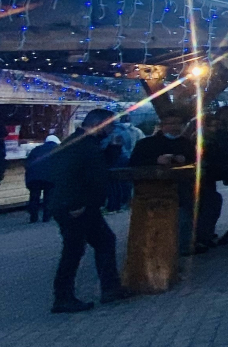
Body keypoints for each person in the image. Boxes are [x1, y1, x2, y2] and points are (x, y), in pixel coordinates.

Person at [49, 107, 131, 313]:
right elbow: (68, 176)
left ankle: (109, 288)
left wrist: (112, 150)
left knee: (103, 241)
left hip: (84, 206)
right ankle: (63, 297)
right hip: (75, 207)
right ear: (98, 124)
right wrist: (74, 205)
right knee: (74, 250)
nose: (112, 130)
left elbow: (97, 169)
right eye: (110, 125)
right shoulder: (79, 145)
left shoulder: (85, 143)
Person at [130, 112, 198, 253]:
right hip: (154, 191)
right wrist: (156, 161)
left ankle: (182, 250)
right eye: (171, 123)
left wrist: (184, 160)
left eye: (178, 124)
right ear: (162, 126)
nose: (175, 127)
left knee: (184, 219)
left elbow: (195, 162)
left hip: (181, 190)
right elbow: (134, 164)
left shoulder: (186, 144)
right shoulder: (146, 144)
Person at [196, 105, 228, 249]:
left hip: (209, 177)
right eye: (214, 126)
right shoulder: (202, 140)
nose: (216, 128)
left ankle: (206, 235)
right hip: (200, 178)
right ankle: (202, 237)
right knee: (209, 204)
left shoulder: (218, 136)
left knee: (212, 203)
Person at [25, 134, 60, 223]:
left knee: (34, 197)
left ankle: (33, 217)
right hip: (50, 177)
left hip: (34, 177)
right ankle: (46, 217)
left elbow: (27, 162)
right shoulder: (58, 149)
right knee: (48, 197)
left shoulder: (36, 149)